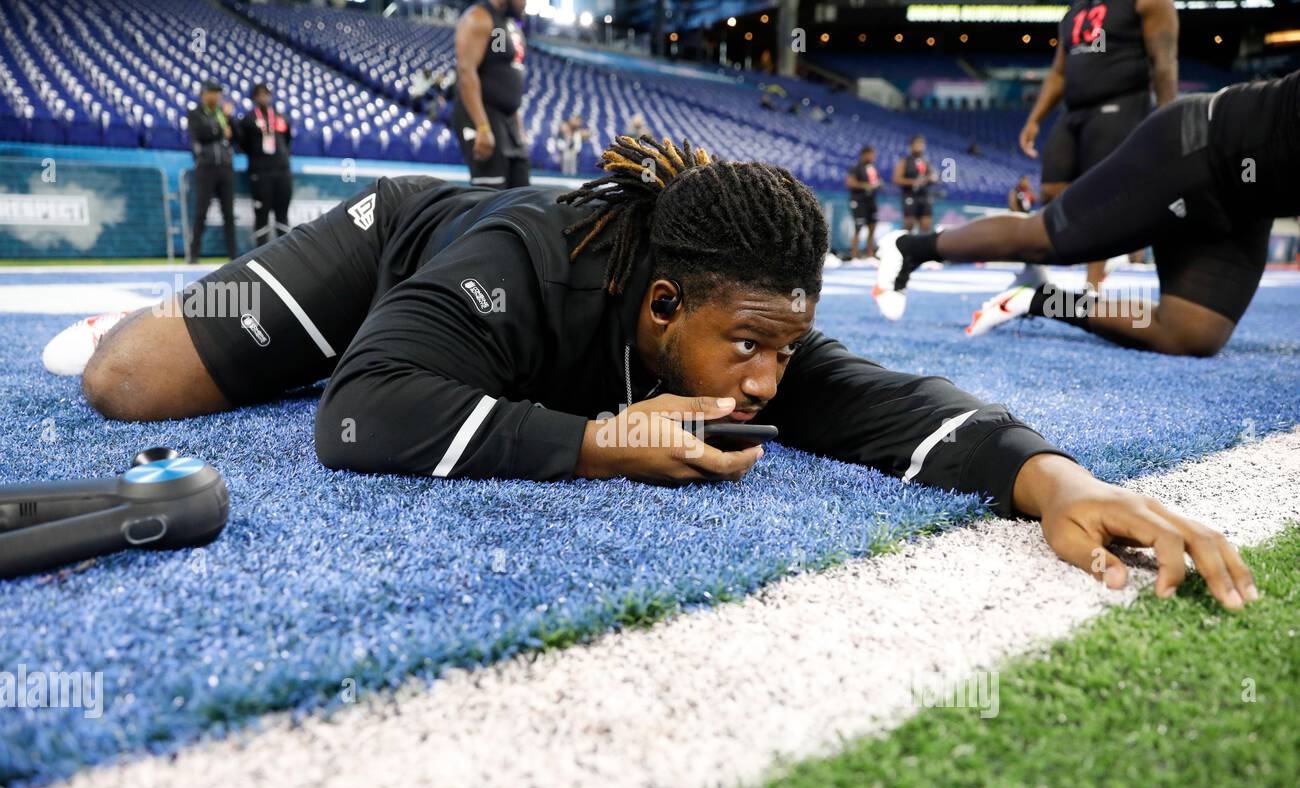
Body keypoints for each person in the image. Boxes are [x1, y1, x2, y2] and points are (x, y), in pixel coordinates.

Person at [62, 133, 1256, 611]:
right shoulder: (528, 263)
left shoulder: (749, 323)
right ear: (661, 305)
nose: (766, 381)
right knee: (129, 381)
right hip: (396, 244)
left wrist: (1057, 482)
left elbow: (896, 405)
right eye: (746, 348)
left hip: (462, 324)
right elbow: (361, 419)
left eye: (785, 348)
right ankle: (202, 303)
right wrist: (597, 443)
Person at [871, 70, 1298, 358]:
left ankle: (1035, 300)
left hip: (1246, 204)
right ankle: (910, 247)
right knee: (1046, 239)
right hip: (1197, 146)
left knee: (1194, 333)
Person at [1019, 0, 1179, 289]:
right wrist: (1035, 118)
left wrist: (1169, 117)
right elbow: (1058, 72)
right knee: (1050, 190)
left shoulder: (1146, 2)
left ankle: (1092, 285)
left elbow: (1164, 59)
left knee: (1100, 193)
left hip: (1120, 103)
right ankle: (1036, 271)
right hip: (1076, 109)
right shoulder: (1075, 10)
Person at [452, 0, 530, 189]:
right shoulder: (478, 17)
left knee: (521, 194)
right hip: (484, 115)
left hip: (507, 121)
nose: (526, 3)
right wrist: (483, 127)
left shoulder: (505, 25)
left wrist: (517, 125)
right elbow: (466, 71)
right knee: (491, 196)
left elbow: (500, 73)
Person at [236, 82, 293, 248]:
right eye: (260, 94)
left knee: (282, 213)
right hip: (260, 172)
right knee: (262, 214)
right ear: (254, 97)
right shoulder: (248, 119)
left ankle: (286, 252)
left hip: (282, 170)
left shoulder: (281, 117)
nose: (264, 97)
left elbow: (287, 140)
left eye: (266, 93)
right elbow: (242, 144)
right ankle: (261, 252)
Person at [186, 79, 237, 264]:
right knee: (201, 212)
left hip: (225, 167)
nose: (216, 96)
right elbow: (203, 134)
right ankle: (193, 254)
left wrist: (229, 119)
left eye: (218, 92)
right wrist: (221, 129)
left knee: (229, 214)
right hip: (206, 168)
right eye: (212, 92)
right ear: (203, 94)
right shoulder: (195, 114)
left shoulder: (223, 114)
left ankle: (234, 255)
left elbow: (234, 136)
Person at [892, 135, 937, 233]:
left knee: (926, 226)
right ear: (911, 146)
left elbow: (934, 177)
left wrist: (931, 179)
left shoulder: (926, 162)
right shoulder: (904, 161)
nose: (920, 146)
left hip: (924, 196)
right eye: (917, 143)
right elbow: (896, 179)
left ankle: (923, 248)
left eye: (922, 144)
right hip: (910, 195)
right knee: (909, 225)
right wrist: (914, 182)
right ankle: (905, 246)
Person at [844, 145, 881, 262]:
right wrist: (866, 185)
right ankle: (855, 255)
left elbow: (875, 182)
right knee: (858, 227)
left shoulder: (873, 168)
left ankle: (870, 254)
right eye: (870, 154)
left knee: (872, 227)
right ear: (864, 155)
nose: (872, 157)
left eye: (873, 155)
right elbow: (849, 182)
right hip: (859, 200)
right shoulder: (855, 167)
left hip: (871, 201)